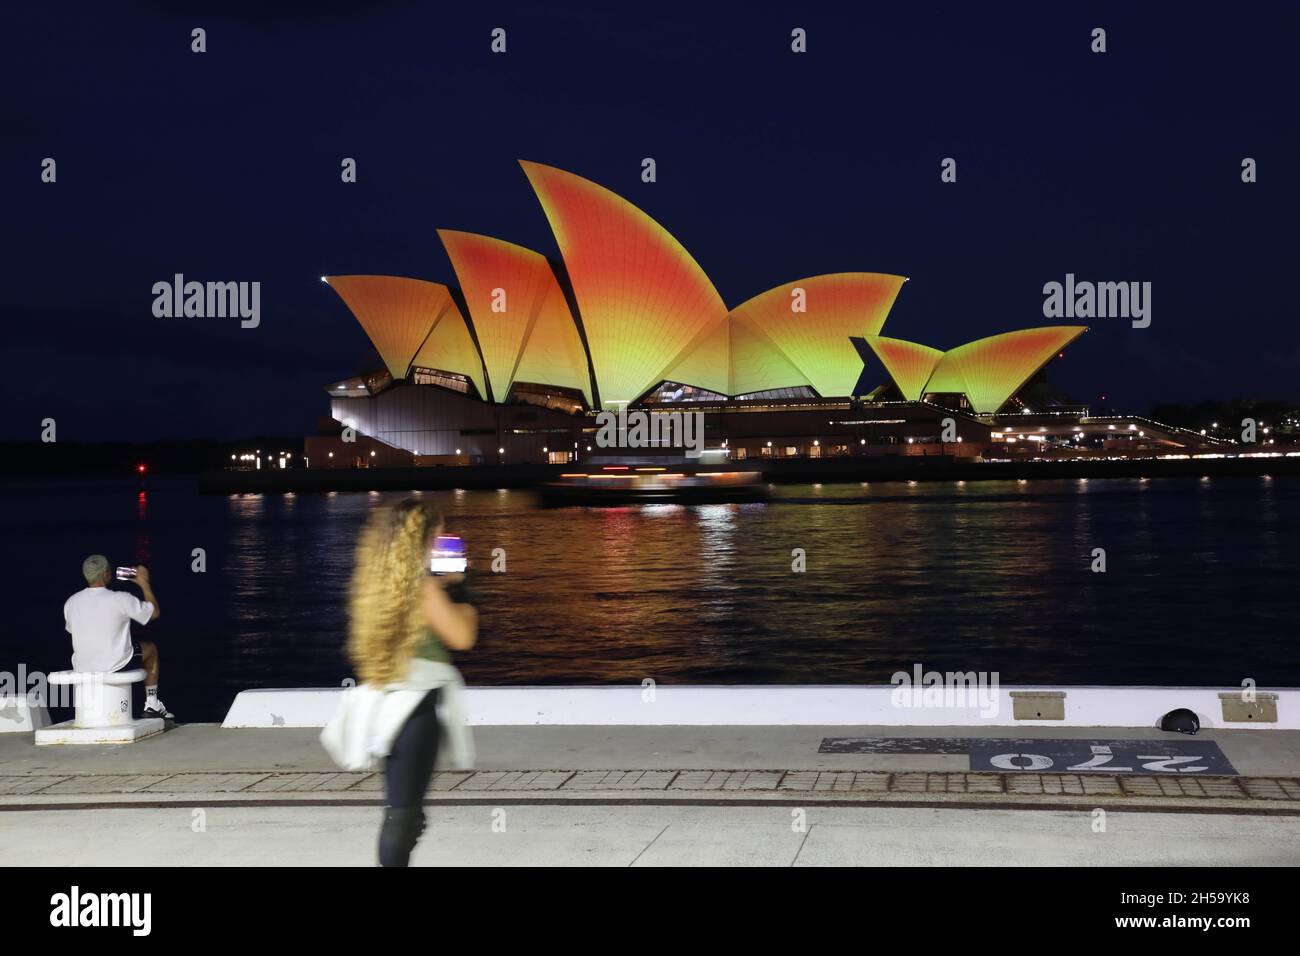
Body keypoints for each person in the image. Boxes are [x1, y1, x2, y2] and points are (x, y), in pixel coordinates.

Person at [338, 499, 477, 867]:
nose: (443, 542)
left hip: (387, 704)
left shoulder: (381, 584)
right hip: (416, 711)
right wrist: (463, 591)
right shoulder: (424, 588)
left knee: (405, 810)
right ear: (423, 538)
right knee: (403, 814)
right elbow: (463, 636)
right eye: (438, 535)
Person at [63, 554, 172, 719]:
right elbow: (154, 612)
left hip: (82, 666)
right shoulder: (120, 599)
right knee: (151, 649)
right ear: (106, 574)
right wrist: (144, 584)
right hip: (115, 664)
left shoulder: (71, 602)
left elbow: (73, 630)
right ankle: (152, 704)